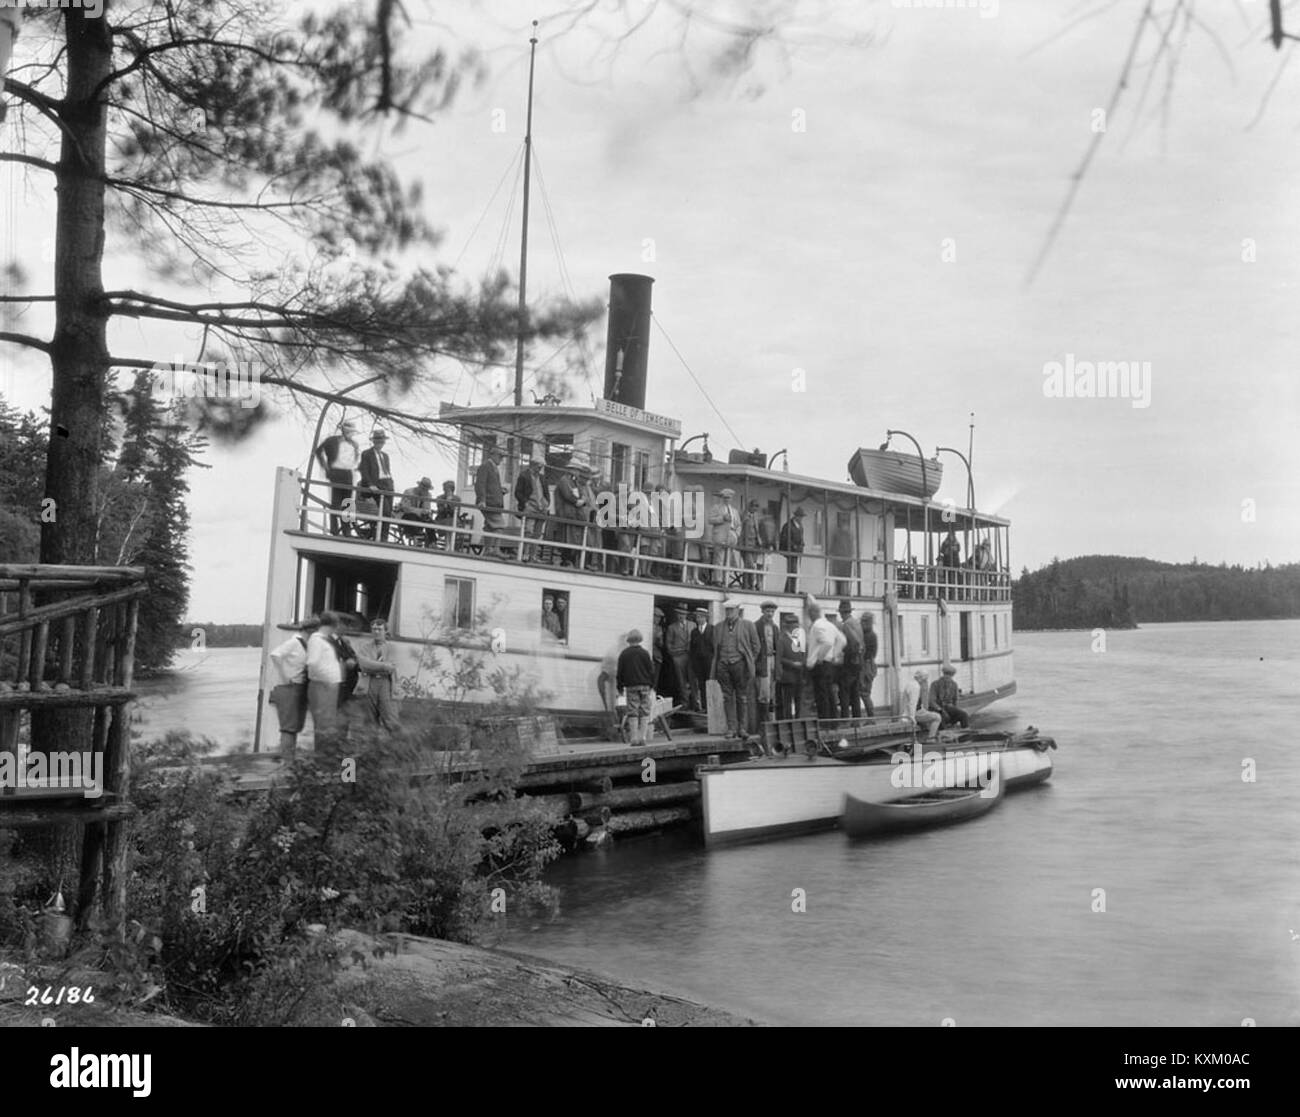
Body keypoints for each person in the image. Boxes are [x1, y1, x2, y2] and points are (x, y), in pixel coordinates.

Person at [267, 616, 319, 755]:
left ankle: (290, 758)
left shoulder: (307, 645)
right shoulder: (294, 642)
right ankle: (287, 762)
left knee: (296, 726)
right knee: (289, 727)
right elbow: (275, 654)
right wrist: (284, 676)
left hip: (300, 688)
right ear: (310, 631)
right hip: (289, 688)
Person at [711, 600, 758, 739]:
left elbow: (756, 647)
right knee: (727, 697)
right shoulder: (718, 627)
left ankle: (742, 728)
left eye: (732, 610)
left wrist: (748, 661)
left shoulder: (748, 625)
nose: (729, 613)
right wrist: (719, 663)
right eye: (727, 610)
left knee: (742, 697)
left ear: (738, 610)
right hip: (723, 665)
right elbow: (715, 648)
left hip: (740, 665)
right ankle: (731, 728)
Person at [305, 610, 351, 743]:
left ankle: (326, 756)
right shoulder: (316, 640)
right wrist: (326, 681)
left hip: (328, 687)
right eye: (335, 626)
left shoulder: (324, 640)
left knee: (328, 723)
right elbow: (312, 663)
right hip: (322, 687)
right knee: (323, 724)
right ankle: (321, 757)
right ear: (332, 625)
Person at [354, 617, 401, 733]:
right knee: (369, 719)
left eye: (379, 629)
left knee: (391, 718)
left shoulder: (392, 648)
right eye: (373, 629)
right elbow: (363, 665)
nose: (376, 632)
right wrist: (383, 666)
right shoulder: (364, 646)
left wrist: (372, 666)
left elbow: (391, 668)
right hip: (369, 683)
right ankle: (371, 748)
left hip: (386, 684)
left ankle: (393, 747)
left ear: (385, 631)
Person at [315, 419, 361, 536]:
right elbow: (318, 451)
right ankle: (334, 530)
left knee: (348, 502)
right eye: (348, 431)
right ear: (343, 430)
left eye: (352, 432)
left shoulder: (354, 444)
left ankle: (347, 530)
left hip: (348, 474)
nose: (350, 434)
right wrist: (325, 467)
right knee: (335, 502)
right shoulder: (332, 441)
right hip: (336, 472)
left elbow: (355, 459)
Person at [804, 595, 845, 720]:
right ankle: (833, 721)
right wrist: (834, 655)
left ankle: (824, 721)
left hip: (819, 665)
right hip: (829, 664)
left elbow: (827, 642)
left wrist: (820, 658)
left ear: (812, 613)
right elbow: (842, 640)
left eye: (809, 613)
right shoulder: (830, 624)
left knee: (821, 694)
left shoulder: (816, 626)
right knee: (829, 693)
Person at [616, 629, 656, 745]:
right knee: (644, 710)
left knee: (632, 711)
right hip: (645, 685)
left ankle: (633, 738)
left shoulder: (624, 654)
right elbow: (651, 670)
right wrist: (652, 684)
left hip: (631, 686)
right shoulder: (645, 653)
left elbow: (620, 672)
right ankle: (642, 737)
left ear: (628, 640)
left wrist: (619, 687)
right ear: (640, 639)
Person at [359, 429, 396, 541]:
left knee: (388, 513)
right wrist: (370, 484)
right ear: (374, 441)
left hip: (387, 484)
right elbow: (364, 470)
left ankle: (384, 536)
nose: (380, 443)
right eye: (378, 440)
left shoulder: (385, 456)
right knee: (384, 511)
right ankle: (380, 536)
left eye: (382, 440)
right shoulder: (367, 454)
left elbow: (387, 471)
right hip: (376, 485)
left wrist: (391, 482)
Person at [474, 443, 507, 557]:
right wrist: (482, 500)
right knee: (500, 525)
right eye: (500, 456)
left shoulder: (493, 468)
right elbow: (480, 484)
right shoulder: (485, 466)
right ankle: (495, 549)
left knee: (489, 526)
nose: (501, 459)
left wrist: (500, 490)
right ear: (493, 455)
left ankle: (488, 549)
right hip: (489, 503)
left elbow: (488, 485)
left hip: (494, 502)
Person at [835, 599, 865, 719]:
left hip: (849, 662)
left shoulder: (846, 625)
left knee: (845, 691)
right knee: (855, 692)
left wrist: (844, 654)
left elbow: (852, 643)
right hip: (858, 662)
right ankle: (857, 718)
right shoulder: (857, 623)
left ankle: (845, 717)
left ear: (842, 613)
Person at [517, 458, 550, 563]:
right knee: (528, 531)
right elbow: (518, 492)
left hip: (541, 508)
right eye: (538, 466)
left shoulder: (542, 478)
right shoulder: (524, 476)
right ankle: (525, 554)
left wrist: (547, 502)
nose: (539, 469)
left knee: (538, 533)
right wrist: (525, 503)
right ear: (533, 465)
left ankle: (533, 555)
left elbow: (546, 492)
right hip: (530, 507)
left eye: (541, 467)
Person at [553, 464, 586, 567]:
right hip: (566, 514)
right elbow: (567, 495)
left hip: (573, 515)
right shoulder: (564, 481)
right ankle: (564, 560)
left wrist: (583, 500)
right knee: (565, 538)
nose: (578, 472)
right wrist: (577, 501)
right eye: (577, 470)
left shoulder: (574, 482)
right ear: (571, 470)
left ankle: (569, 560)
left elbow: (581, 493)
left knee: (573, 539)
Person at [754, 600, 780, 723]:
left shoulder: (775, 627)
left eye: (772, 611)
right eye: (768, 611)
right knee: (764, 692)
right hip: (762, 661)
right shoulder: (756, 626)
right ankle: (762, 722)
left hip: (772, 660)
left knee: (772, 691)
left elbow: (778, 646)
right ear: (762, 611)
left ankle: (771, 720)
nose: (770, 614)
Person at [707, 488, 740, 586]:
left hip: (731, 535)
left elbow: (739, 524)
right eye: (725, 497)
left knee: (728, 558)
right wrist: (722, 518)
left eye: (729, 498)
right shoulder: (716, 508)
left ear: (731, 499)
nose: (727, 499)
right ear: (722, 498)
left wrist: (737, 534)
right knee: (719, 558)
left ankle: (726, 580)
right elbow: (710, 520)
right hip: (720, 535)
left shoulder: (734, 511)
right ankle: (718, 580)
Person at [776, 612, 805, 719]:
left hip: (799, 675)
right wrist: (792, 663)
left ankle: (798, 720)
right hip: (788, 676)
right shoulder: (782, 640)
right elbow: (779, 658)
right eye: (794, 626)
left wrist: (803, 663)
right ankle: (788, 721)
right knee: (787, 702)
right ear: (788, 626)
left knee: (799, 700)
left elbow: (802, 654)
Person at [901, 668, 941, 742]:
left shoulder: (910, 683)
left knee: (928, 713)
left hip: (913, 711)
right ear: (922, 678)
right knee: (937, 717)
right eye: (926, 679)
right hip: (912, 713)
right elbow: (912, 703)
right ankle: (930, 738)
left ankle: (926, 736)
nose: (926, 681)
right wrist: (912, 718)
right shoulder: (915, 687)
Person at [665, 602, 693, 706]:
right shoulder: (672, 627)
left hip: (691, 656)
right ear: (677, 615)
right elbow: (668, 645)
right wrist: (674, 655)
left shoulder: (693, 625)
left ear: (686, 615)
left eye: (683, 614)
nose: (681, 616)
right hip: (678, 657)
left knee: (693, 679)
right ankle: (685, 703)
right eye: (679, 614)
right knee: (681, 680)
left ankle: (694, 702)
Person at [687, 606, 714, 714]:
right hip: (698, 663)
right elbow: (692, 649)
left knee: (710, 684)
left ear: (705, 618)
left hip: (709, 662)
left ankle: (712, 707)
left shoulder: (712, 629)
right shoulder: (694, 632)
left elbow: (715, 647)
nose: (698, 619)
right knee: (701, 685)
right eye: (697, 617)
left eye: (700, 617)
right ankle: (705, 707)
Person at [929, 662, 971, 729]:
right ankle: (943, 733)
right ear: (943, 675)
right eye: (946, 676)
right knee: (942, 716)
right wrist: (940, 710)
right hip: (937, 708)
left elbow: (955, 700)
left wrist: (955, 710)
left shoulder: (954, 685)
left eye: (950, 677)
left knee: (963, 714)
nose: (948, 679)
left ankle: (966, 732)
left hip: (949, 707)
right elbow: (932, 701)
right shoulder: (935, 684)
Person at [397, 477, 435, 545]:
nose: (425, 491)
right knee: (411, 516)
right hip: (406, 516)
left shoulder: (428, 495)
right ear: (420, 486)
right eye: (423, 488)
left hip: (420, 517)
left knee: (430, 521)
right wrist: (419, 511)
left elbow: (426, 509)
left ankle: (432, 542)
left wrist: (423, 511)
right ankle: (417, 537)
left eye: (426, 489)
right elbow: (406, 508)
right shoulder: (409, 492)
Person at [779, 507, 805, 594]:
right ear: (796, 516)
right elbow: (784, 538)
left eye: (802, 517)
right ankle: (790, 590)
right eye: (800, 516)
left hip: (798, 552)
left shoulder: (800, 527)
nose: (801, 519)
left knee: (796, 571)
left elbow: (801, 539)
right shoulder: (788, 526)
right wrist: (793, 546)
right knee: (792, 571)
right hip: (791, 552)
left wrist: (802, 545)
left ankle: (792, 589)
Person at [740, 500, 764, 590]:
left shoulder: (755, 517)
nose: (755, 508)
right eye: (754, 506)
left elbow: (757, 530)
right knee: (750, 565)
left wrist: (759, 541)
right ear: (750, 506)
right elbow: (741, 525)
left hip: (753, 544)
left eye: (757, 507)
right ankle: (749, 585)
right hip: (745, 544)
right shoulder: (744, 515)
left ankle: (747, 585)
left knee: (749, 565)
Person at [861, 612, 878, 716]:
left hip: (866, 666)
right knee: (866, 692)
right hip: (870, 665)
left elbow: (866, 653)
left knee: (864, 692)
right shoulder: (872, 635)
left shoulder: (868, 635)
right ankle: (871, 716)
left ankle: (871, 717)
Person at [433, 480, 459, 548]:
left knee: (451, 522)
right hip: (441, 519)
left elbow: (456, 512)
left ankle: (449, 545)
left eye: (448, 489)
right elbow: (440, 510)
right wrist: (445, 503)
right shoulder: (439, 498)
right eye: (444, 488)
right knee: (448, 523)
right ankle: (447, 545)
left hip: (453, 519)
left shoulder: (457, 499)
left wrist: (450, 503)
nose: (445, 490)